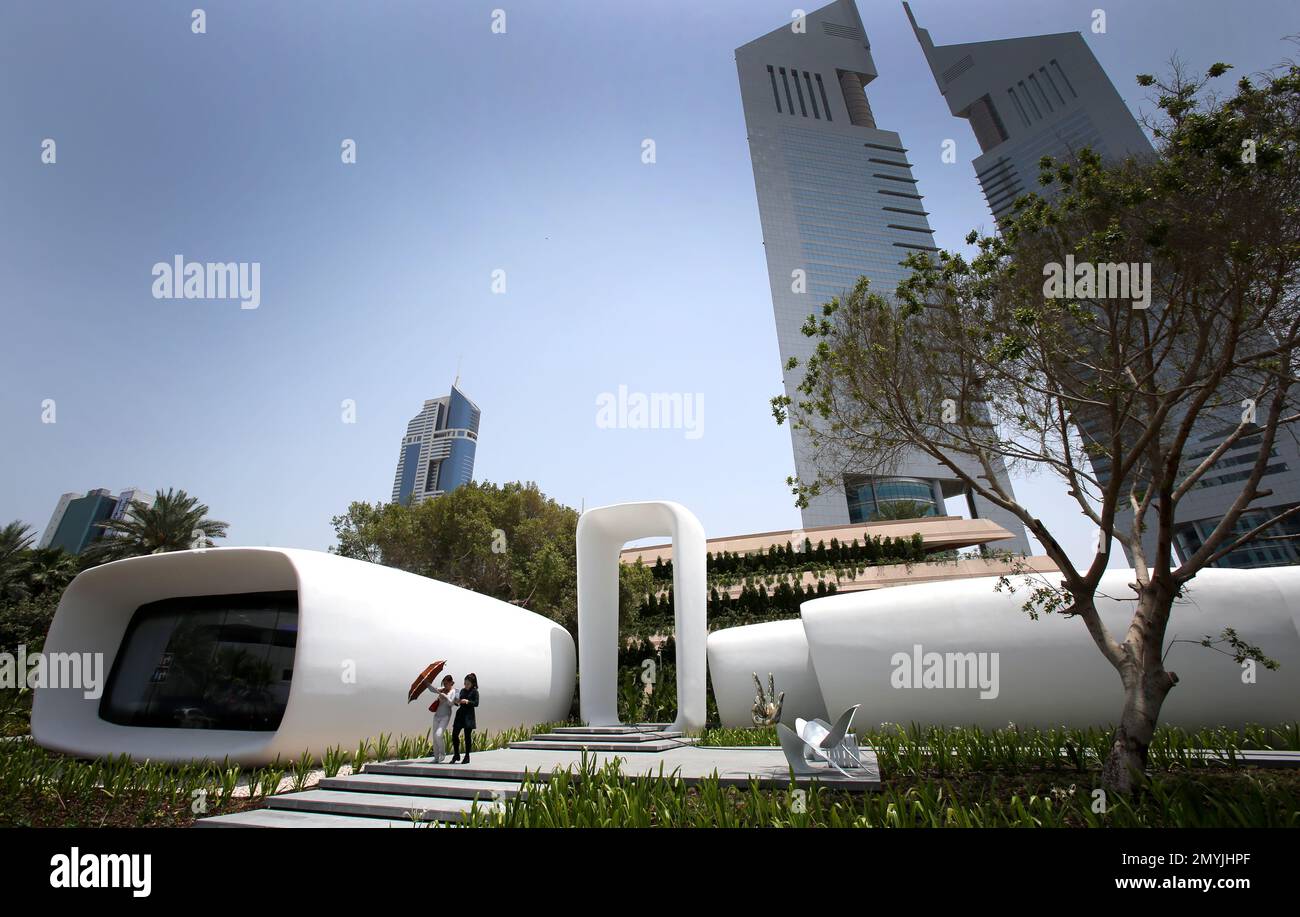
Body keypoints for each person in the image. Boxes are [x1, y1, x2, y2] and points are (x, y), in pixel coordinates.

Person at [428, 674, 457, 763]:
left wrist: (445, 697)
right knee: (434, 736)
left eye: (446, 683)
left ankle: (442, 753)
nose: (445, 685)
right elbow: (432, 689)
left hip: (445, 716)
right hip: (437, 715)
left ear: (451, 683)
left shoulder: (454, 691)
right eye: (444, 683)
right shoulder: (442, 689)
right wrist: (426, 683)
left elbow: (451, 703)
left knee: (438, 735)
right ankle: (436, 757)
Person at [451, 673, 479, 764]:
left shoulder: (475, 692)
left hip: (469, 716)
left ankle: (467, 756)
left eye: (467, 684)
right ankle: (456, 754)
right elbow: (458, 701)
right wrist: (456, 701)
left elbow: (476, 703)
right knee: (455, 734)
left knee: (467, 737)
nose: (465, 685)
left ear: (472, 684)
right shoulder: (462, 691)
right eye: (465, 683)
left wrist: (467, 701)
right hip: (460, 714)